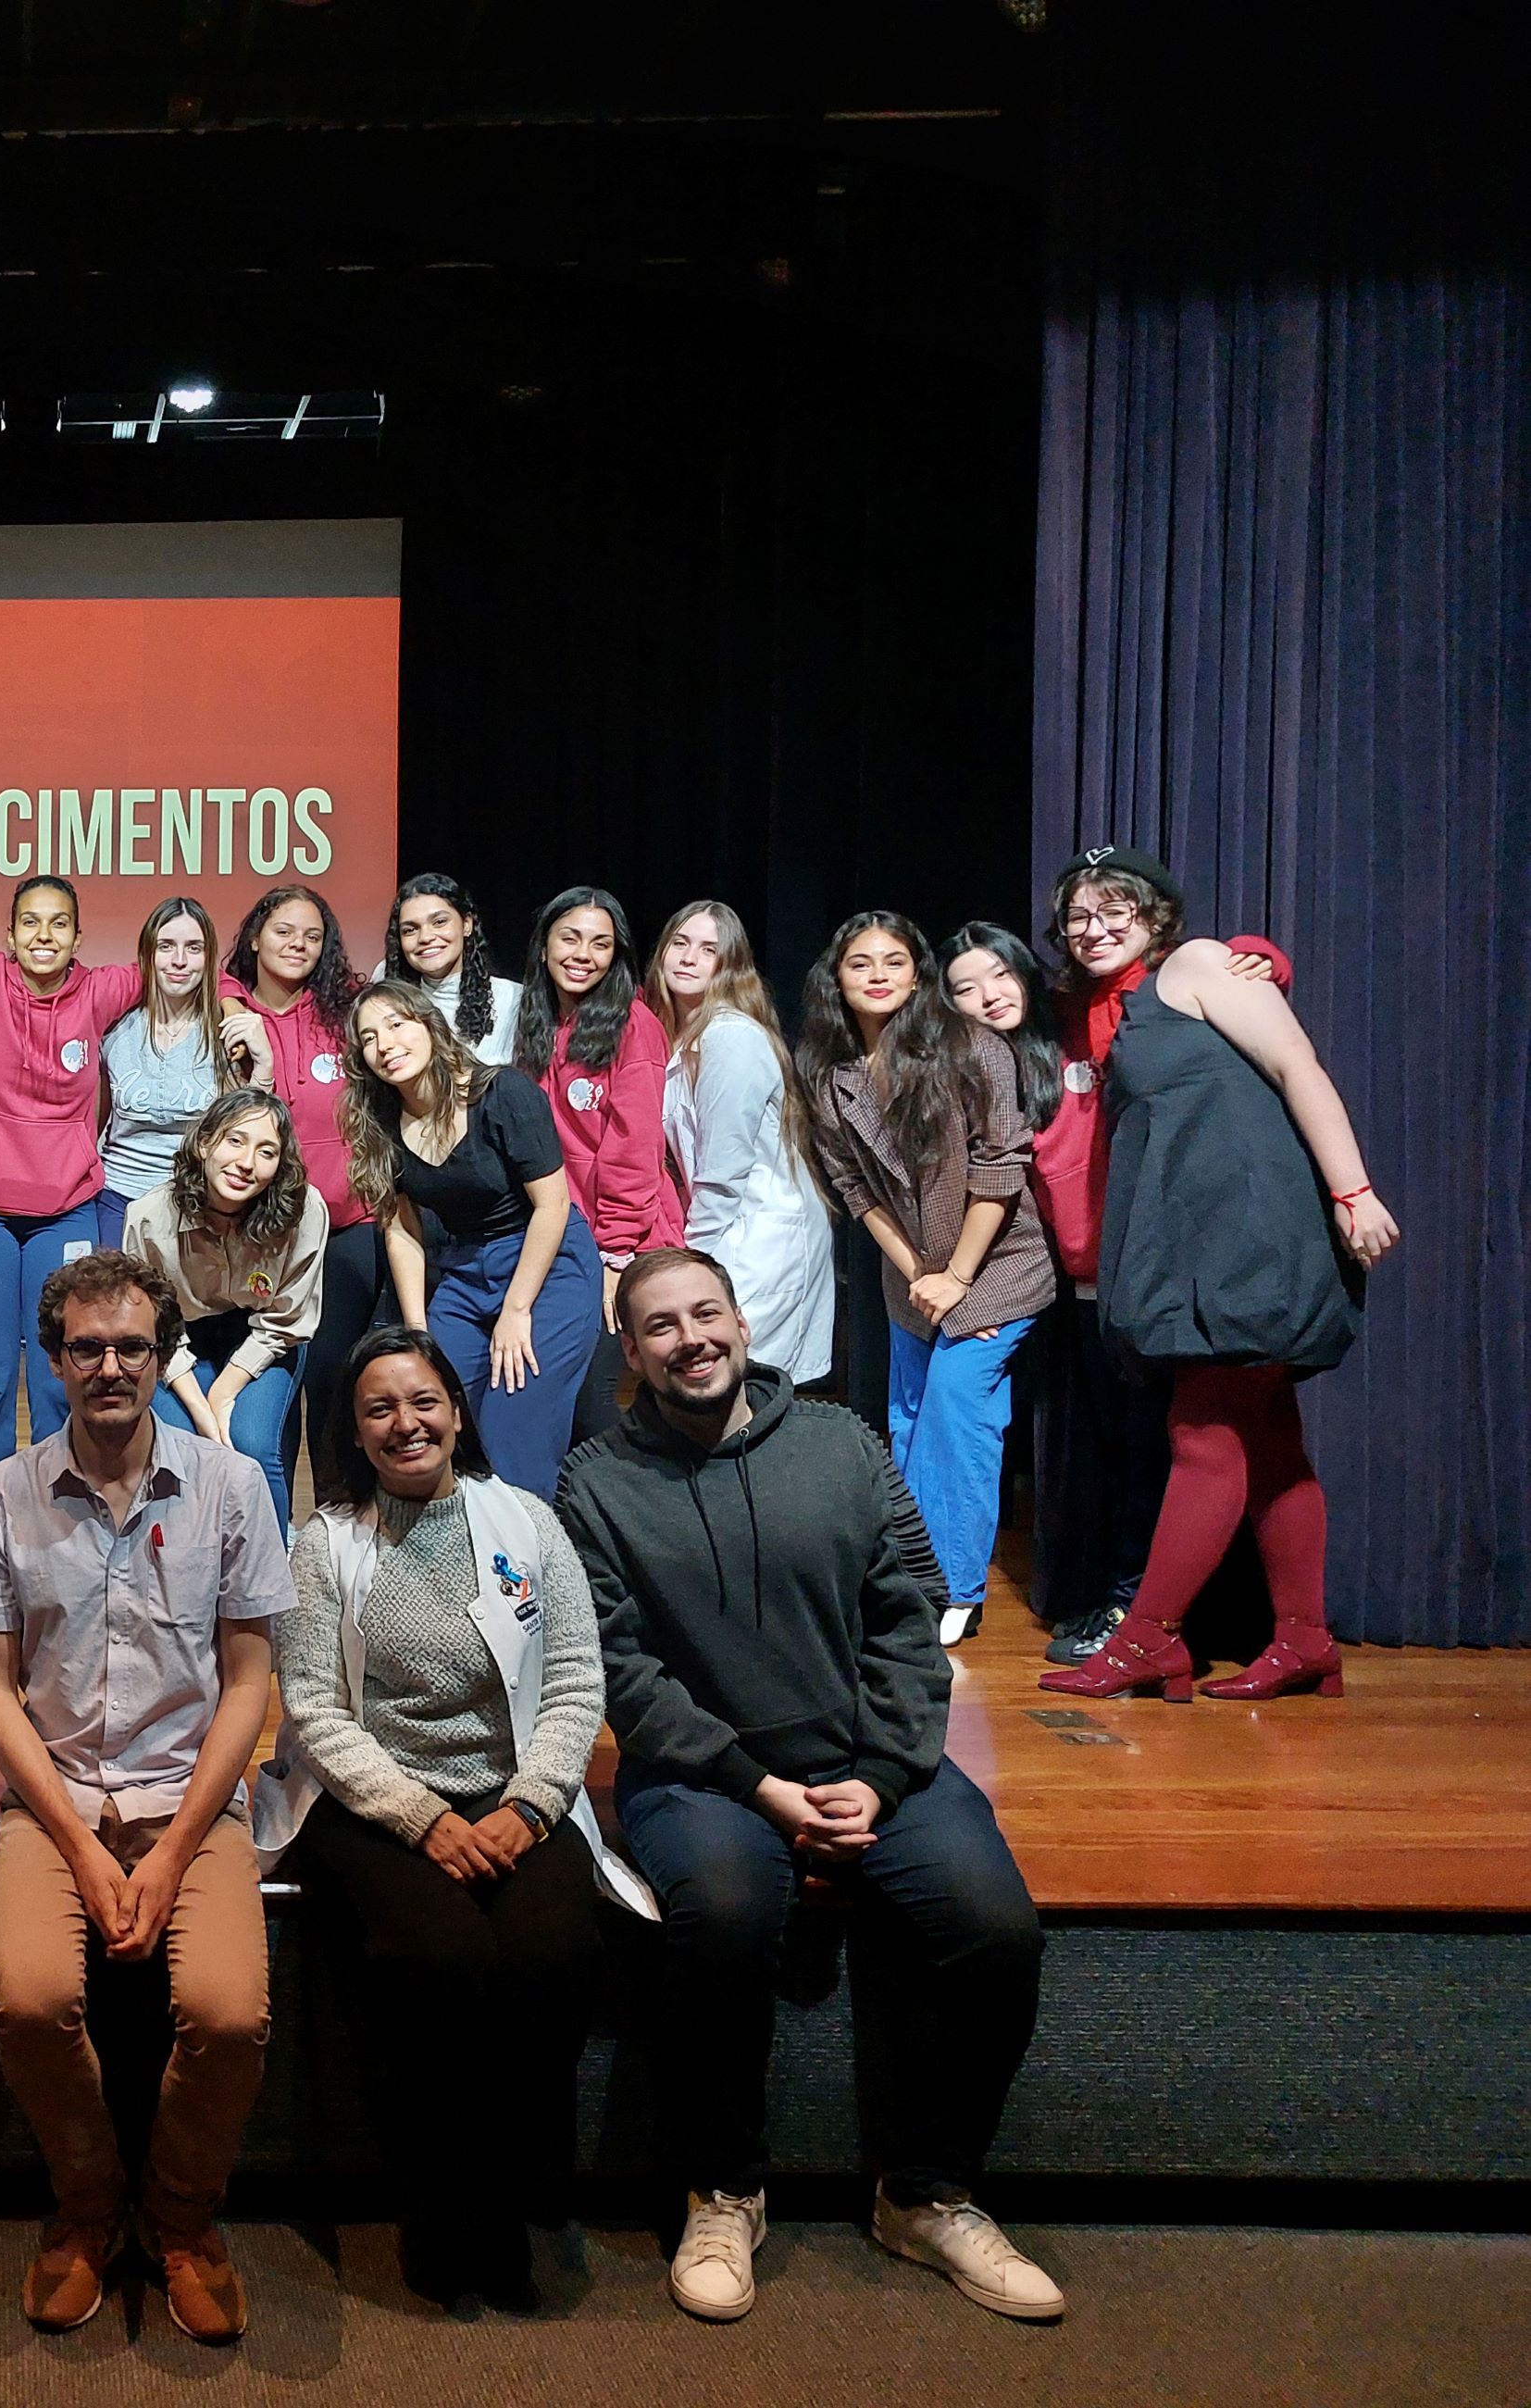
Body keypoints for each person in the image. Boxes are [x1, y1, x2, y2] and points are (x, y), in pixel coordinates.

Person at [558, 1247, 1060, 2327]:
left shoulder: (843, 1443)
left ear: (742, 1324)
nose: (691, 1339)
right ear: (631, 1353)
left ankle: (925, 2194)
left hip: (869, 1760)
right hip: (704, 1775)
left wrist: (878, 1776)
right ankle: (722, 2188)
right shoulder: (593, 1482)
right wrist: (759, 1787)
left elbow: (909, 1610)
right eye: (660, 1326)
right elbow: (616, 1668)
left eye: (706, 1314)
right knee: (725, 1913)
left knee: (993, 1926)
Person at [255, 1329, 649, 2308]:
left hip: (511, 1790)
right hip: (370, 1798)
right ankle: (442, 2207)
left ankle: (519, 2197)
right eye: (379, 1408)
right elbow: (314, 1708)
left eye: (424, 1401)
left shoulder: (528, 1522)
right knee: (441, 1957)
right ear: (354, 1431)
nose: (406, 1423)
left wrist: (534, 1801)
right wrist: (421, 1817)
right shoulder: (325, 1543)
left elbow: (576, 1681)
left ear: (458, 1413)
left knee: (552, 1951)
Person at [0, 1253, 280, 2346]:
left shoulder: (232, 1487)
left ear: (160, 1357)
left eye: (132, 1347)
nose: (110, 1367)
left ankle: (180, 2214)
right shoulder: (2, 1494)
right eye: (86, 1348)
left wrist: (173, 1847)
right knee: (31, 2002)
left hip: (191, 1798)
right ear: (53, 1361)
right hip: (55, 1804)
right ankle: (89, 2204)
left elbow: (249, 1685)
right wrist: (85, 1849)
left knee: (228, 2015)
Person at [1039, 848, 1399, 1705]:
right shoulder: (1112, 1011)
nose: (1094, 927)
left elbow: (1297, 1065)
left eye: (1114, 909)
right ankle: (1304, 1639)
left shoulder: (1199, 964)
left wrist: (1353, 1190)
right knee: (1269, 1443)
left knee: (1202, 1432)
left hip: (1252, 1230)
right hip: (1203, 1236)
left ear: (1156, 915)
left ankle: (1148, 1638)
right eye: (1078, 916)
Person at [945, 892, 1284, 1665]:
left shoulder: (1086, 1019)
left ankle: (1143, 1612)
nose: (988, 995)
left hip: (1147, 1273)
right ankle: (1125, 1603)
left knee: (1155, 1452)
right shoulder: (990, 1066)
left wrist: (1263, 959)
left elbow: (1188, 995)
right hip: (1078, 1285)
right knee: (1112, 1455)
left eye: (999, 975)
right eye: (965, 986)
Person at [0, 874, 260, 1503]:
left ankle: (56, 1521)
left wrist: (233, 1007)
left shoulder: (100, 989)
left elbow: (190, 970)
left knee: (56, 1383)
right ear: (9, 935)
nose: (44, 935)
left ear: (77, 937)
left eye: (59, 923)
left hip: (64, 1213)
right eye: (30, 922)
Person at [795, 911, 1053, 1641]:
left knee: (954, 1405)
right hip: (914, 1273)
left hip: (998, 1261)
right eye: (860, 963)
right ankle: (906, 1579)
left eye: (895, 961)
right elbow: (856, 1190)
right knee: (907, 1418)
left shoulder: (970, 1048)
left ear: (918, 976)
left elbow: (1001, 1167)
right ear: (837, 979)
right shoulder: (831, 1071)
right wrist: (919, 1273)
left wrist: (959, 1279)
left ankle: (954, 1587)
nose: (878, 975)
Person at [345, 979, 604, 1498]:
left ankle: (529, 1541)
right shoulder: (381, 1122)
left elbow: (552, 1206)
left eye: (396, 1024)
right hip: (465, 1273)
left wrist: (517, 1309)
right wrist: (418, 1331)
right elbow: (402, 1230)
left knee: (512, 1424)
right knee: (432, 1403)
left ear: (429, 1026)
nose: (385, 1044)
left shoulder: (502, 1093)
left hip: (546, 1262)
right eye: (369, 1038)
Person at [224, 884, 380, 1516]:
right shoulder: (228, 1014)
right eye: (284, 931)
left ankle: (335, 1530)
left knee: (334, 1383)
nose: (298, 945)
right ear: (255, 936)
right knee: (272, 1390)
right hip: (263, 1236)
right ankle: (272, 1531)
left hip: (347, 1230)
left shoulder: (347, 1016)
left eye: (312, 936)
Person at [512, 885, 682, 1444]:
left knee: (594, 1395)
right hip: (566, 1238)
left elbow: (635, 1151)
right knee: (554, 1390)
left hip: (624, 1241)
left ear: (617, 955)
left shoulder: (634, 1026)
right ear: (544, 946)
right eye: (570, 938)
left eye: (600, 943)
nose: (583, 954)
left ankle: (630, 1496)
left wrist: (616, 1255)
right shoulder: (539, 1024)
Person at [120, 1089, 329, 1535]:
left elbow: (286, 1318)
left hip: (265, 1335)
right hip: (177, 1340)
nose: (246, 1163)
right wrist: (201, 1408)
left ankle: (273, 1562)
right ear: (204, 1143)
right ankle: (185, 1562)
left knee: (251, 1443)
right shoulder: (149, 1217)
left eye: (266, 1151)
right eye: (235, 1141)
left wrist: (223, 1394)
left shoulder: (305, 1209)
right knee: (181, 1446)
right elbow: (150, 1326)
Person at [646, 901, 835, 1386]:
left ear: (729, 966)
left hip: (759, 1236)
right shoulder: (678, 1036)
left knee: (749, 1385)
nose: (689, 958)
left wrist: (692, 1265)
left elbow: (722, 1173)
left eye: (708, 950)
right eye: (680, 943)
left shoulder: (729, 1037)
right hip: (731, 1230)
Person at [97, 895, 236, 1250]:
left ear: (208, 958)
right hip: (117, 1197)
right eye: (166, 946)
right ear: (148, 954)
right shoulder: (117, 1029)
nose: (179, 960)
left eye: (194, 948)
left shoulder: (226, 1032)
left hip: (196, 1202)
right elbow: (93, 1123)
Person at [382, 872, 521, 1069]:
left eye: (439, 922)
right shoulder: (389, 997)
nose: (425, 937)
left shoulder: (512, 998)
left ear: (467, 924)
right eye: (410, 930)